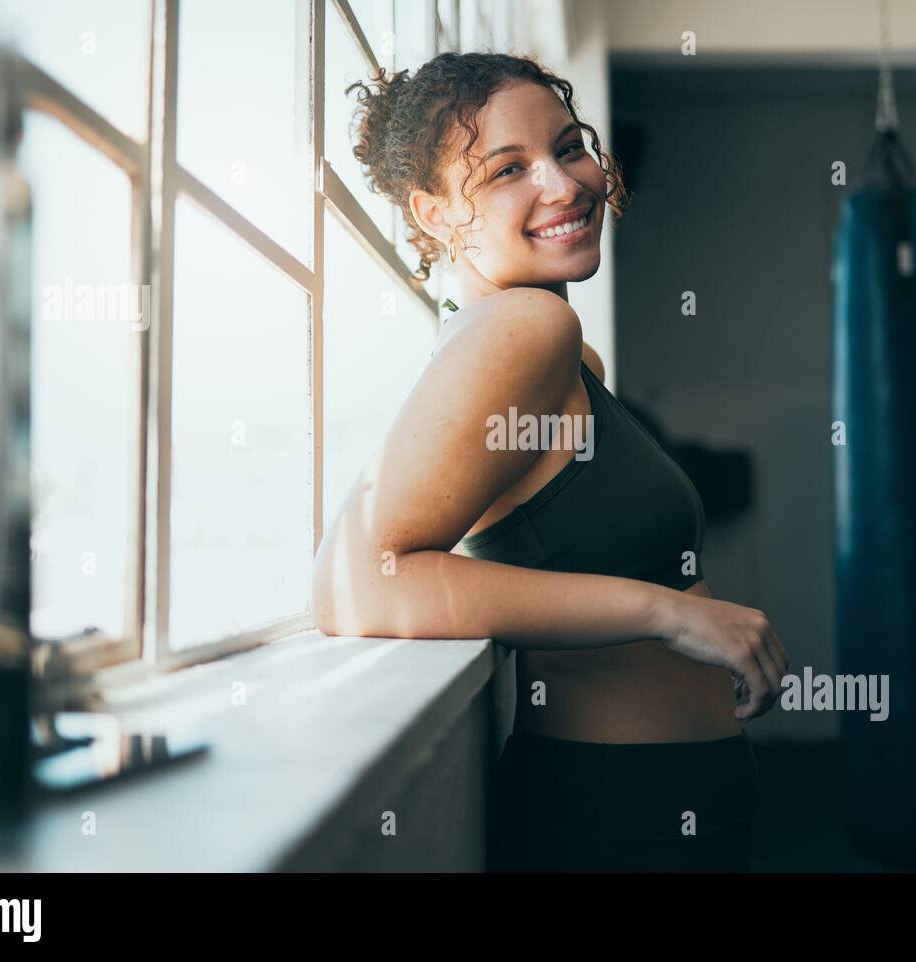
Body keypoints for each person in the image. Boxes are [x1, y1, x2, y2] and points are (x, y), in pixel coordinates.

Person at [311, 51, 789, 872]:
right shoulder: (525, 329)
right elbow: (361, 580)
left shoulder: (564, 358)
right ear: (432, 213)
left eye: (569, 148)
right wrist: (669, 612)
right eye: (507, 170)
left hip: (659, 795)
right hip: (615, 814)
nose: (564, 184)